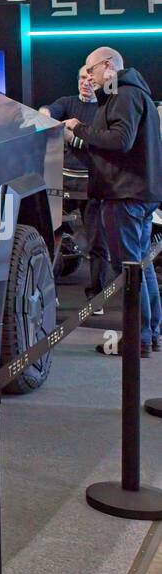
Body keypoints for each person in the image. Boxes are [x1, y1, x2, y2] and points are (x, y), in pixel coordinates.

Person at [64, 46, 162, 356]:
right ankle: (149, 333)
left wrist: (79, 128)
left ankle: (138, 339)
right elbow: (114, 148)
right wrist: (79, 138)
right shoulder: (135, 94)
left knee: (128, 270)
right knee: (140, 266)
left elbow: (120, 140)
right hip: (138, 194)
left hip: (124, 196)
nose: (89, 78)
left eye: (90, 70)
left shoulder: (123, 94)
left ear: (107, 66)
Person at [44, 67, 110, 306]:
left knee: (97, 244)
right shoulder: (67, 102)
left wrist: (73, 139)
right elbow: (50, 110)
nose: (85, 82)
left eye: (89, 79)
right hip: (63, 183)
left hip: (92, 184)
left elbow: (102, 144)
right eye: (81, 78)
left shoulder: (106, 108)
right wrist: (43, 115)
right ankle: (49, 293)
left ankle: (96, 297)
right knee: (51, 239)